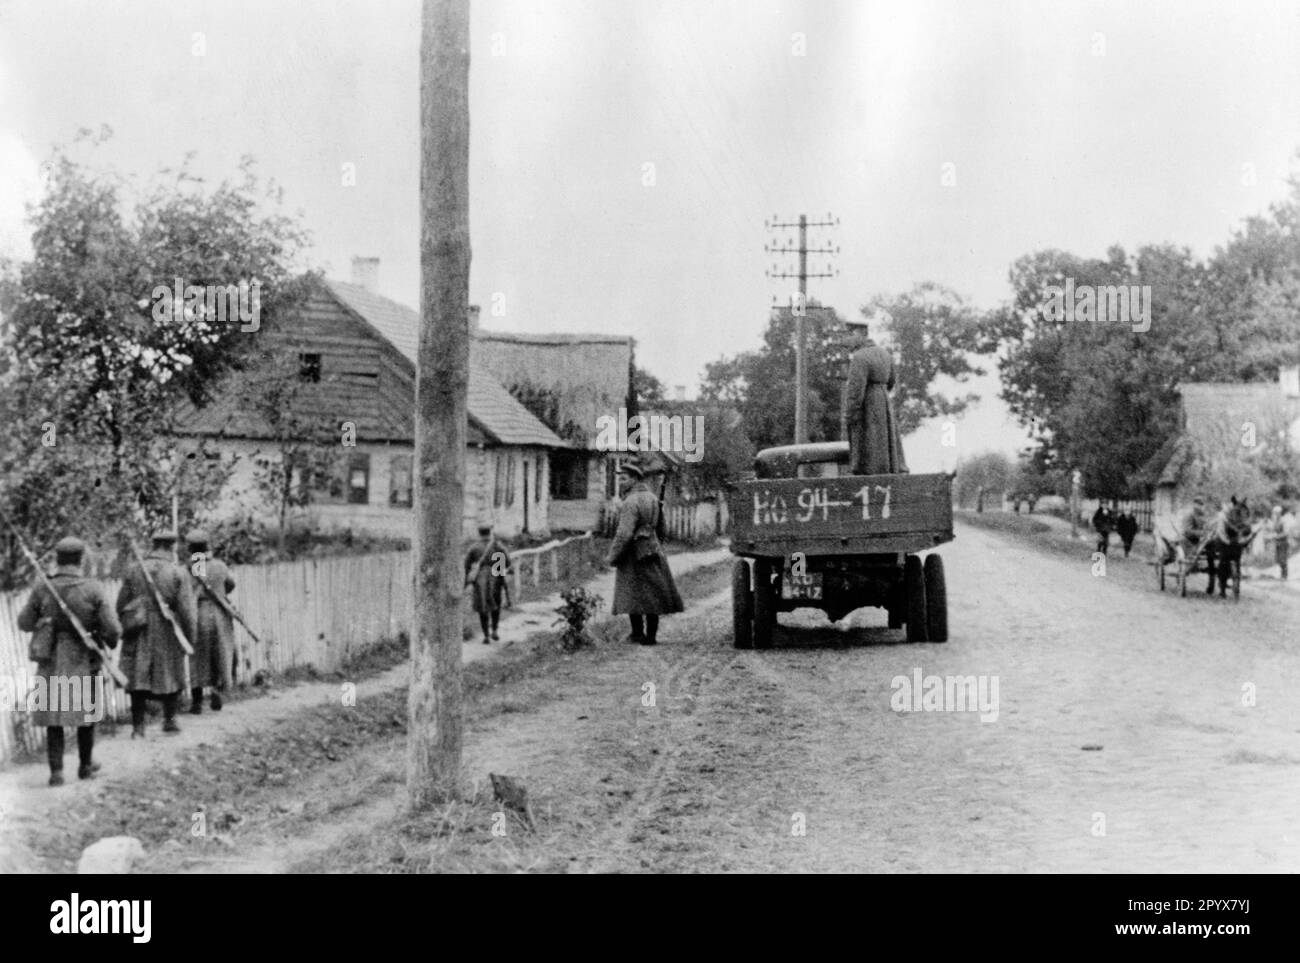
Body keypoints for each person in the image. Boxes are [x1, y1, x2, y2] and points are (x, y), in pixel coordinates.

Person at [16, 536, 121, 786]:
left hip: (50, 658)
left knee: (54, 718)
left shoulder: (43, 587)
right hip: (84, 657)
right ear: (81, 559)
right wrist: (108, 641)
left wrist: (43, 621)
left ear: (58, 559)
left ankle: (56, 772)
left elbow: (23, 622)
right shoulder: (92, 588)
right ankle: (85, 766)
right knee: (87, 714)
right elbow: (113, 628)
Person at [116, 529, 197, 738]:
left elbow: (120, 604)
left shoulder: (134, 570)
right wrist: (189, 637)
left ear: (153, 545)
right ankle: (169, 721)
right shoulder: (178, 572)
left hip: (138, 627)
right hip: (167, 629)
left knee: (137, 677)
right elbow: (187, 611)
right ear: (172, 546)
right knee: (170, 672)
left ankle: (138, 727)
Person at [606, 458, 683, 645]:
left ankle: (637, 633)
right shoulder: (653, 499)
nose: (621, 483)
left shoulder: (631, 502)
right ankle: (651, 636)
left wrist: (612, 556)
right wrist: (654, 544)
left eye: (624, 479)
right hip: (652, 550)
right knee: (653, 594)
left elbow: (624, 533)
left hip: (633, 554)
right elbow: (662, 530)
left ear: (634, 479)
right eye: (620, 479)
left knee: (633, 593)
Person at [842, 320, 908, 475]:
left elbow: (855, 392)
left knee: (869, 450)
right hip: (884, 404)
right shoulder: (886, 354)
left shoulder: (859, 357)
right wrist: (880, 394)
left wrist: (849, 415)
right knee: (887, 445)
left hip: (868, 408)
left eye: (851, 335)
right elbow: (892, 382)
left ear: (861, 334)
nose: (848, 340)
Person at [185, 529, 235, 713]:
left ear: (191, 548)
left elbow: (186, 593)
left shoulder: (190, 569)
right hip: (220, 614)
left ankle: (197, 701)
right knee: (219, 654)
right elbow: (230, 584)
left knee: (197, 657)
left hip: (198, 613)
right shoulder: (220, 566)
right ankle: (216, 691)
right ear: (207, 546)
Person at [464, 523, 511, 644]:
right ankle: (494, 630)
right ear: (489, 533)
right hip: (496, 578)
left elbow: (467, 566)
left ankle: (486, 635)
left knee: (482, 607)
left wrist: (467, 582)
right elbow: (506, 563)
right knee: (496, 604)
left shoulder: (474, 548)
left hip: (481, 581)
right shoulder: (497, 546)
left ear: (479, 533)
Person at [1264, 504, 1296, 580]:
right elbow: (1274, 530)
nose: (1274, 514)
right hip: (1278, 543)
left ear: (1279, 513)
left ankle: (1284, 576)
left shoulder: (1283, 521)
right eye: (1273, 512)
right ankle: (1282, 575)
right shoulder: (1276, 521)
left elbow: (1285, 533)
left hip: (1283, 543)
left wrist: (1275, 536)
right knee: (1278, 559)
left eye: (1275, 512)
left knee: (1283, 559)